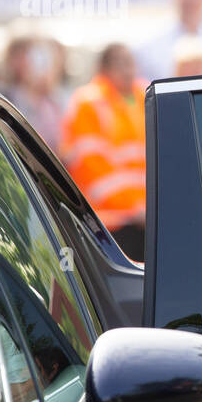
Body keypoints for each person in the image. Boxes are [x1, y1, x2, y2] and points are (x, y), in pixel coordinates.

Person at [60, 44, 147, 261]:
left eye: (131, 63)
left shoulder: (142, 97)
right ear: (104, 68)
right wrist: (136, 208)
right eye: (121, 64)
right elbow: (93, 166)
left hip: (142, 220)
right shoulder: (89, 103)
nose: (128, 70)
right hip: (109, 225)